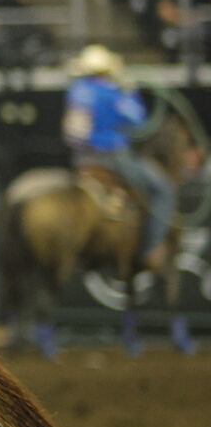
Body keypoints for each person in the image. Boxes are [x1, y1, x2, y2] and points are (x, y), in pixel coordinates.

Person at [62, 44, 173, 272]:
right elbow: (139, 122)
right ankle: (149, 249)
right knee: (162, 190)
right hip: (112, 157)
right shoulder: (115, 92)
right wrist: (129, 92)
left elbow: (73, 132)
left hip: (82, 160)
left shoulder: (76, 90)